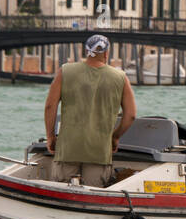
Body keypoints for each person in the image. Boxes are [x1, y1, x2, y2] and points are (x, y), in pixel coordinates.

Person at [43, 34, 137, 186]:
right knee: (94, 193)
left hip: (68, 149)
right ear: (106, 53)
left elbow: (50, 106)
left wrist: (50, 136)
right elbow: (131, 115)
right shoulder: (120, 78)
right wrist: (115, 137)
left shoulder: (65, 71)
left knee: (60, 191)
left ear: (86, 51)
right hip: (99, 151)